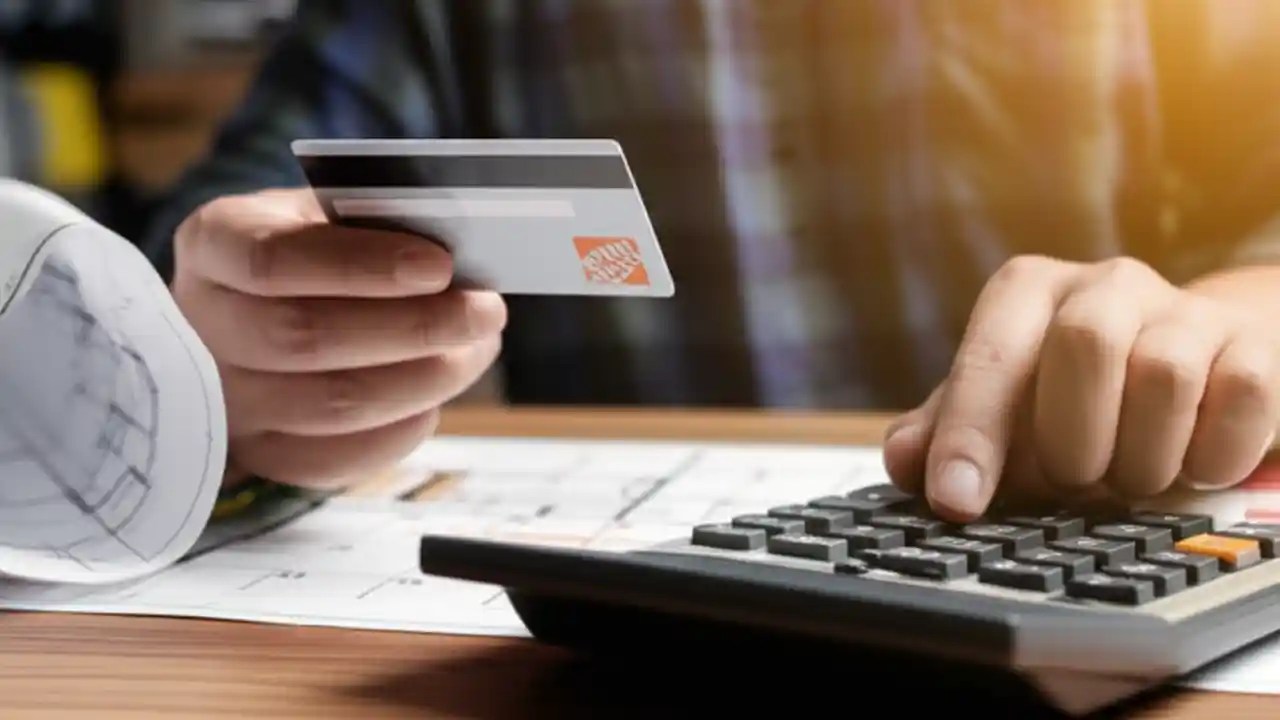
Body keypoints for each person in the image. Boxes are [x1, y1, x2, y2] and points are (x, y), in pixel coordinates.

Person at [141, 1, 1280, 522]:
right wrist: (216, 345)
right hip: (622, 642)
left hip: (1112, 540)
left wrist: (1245, 306)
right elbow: (225, 223)